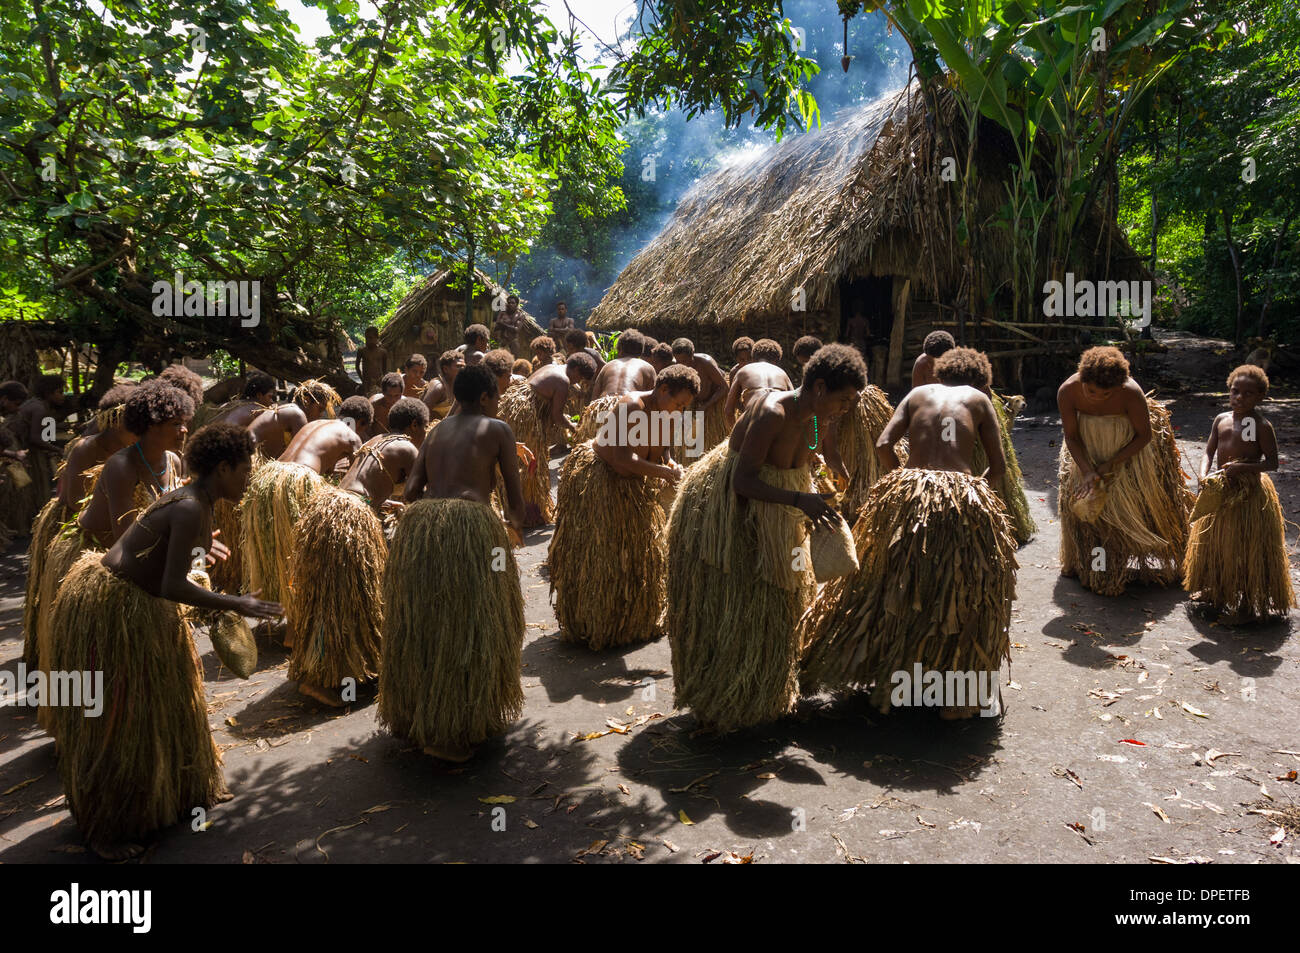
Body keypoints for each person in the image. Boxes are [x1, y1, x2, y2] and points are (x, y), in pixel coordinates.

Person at [47, 424, 281, 859]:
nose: (250, 477)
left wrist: (202, 558)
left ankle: (183, 792)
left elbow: (174, 560)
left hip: (138, 605)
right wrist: (236, 602)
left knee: (169, 707)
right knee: (117, 721)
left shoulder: (201, 501)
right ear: (224, 467)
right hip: (111, 611)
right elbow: (173, 585)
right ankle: (106, 830)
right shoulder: (191, 506)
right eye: (246, 468)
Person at [800, 347, 1018, 719]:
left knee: (893, 582)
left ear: (941, 374)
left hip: (910, 492)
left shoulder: (917, 394)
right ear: (979, 380)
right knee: (958, 591)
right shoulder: (979, 399)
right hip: (959, 496)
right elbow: (997, 466)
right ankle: (954, 695)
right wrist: (978, 497)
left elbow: (884, 445)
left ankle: (889, 680)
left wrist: (902, 482)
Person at [666, 344, 864, 732]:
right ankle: (726, 700)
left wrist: (816, 472)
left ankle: (768, 693)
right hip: (735, 513)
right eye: (844, 400)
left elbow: (806, 450)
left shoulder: (815, 417)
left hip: (782, 508)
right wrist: (797, 498)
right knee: (739, 602)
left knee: (780, 602)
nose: (847, 408)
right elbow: (742, 481)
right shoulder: (772, 413)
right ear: (820, 388)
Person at [380, 364, 525, 762]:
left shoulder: (437, 430)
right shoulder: (498, 430)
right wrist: (512, 528)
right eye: (496, 396)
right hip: (471, 530)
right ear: (484, 397)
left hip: (422, 529)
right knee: (472, 623)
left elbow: (411, 491)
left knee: (427, 622)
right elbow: (516, 500)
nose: (498, 403)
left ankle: (421, 717)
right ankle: (454, 730)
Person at [287, 398, 426, 707]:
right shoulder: (408, 448)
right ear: (415, 426)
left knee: (329, 599)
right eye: (424, 428)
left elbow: (363, 483)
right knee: (345, 602)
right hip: (352, 519)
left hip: (329, 507)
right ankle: (325, 680)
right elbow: (419, 497)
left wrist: (382, 502)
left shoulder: (376, 439)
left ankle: (319, 670)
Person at [549, 365, 696, 650]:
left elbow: (664, 448)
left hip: (637, 486)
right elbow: (620, 459)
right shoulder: (631, 407)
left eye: (685, 408)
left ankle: (631, 624)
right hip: (605, 482)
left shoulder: (669, 413)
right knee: (605, 556)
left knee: (637, 556)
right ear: (663, 390)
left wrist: (670, 462)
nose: (680, 411)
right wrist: (663, 473)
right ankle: (594, 623)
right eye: (678, 404)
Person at [1057, 346, 1192, 595]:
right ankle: (1093, 566)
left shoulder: (1130, 393)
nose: (1097, 397)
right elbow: (1072, 437)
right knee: (1089, 513)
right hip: (1086, 451)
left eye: (1106, 393)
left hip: (1127, 454)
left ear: (1119, 387)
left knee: (1125, 513)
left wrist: (1113, 463)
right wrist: (1087, 470)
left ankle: (1117, 564)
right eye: (1091, 391)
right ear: (1082, 379)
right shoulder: (1068, 391)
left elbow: (1144, 436)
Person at [21, 384, 137, 672]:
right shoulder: (87, 448)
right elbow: (73, 501)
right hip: (78, 527)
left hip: (116, 522)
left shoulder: (136, 446)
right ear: (115, 420)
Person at [241, 396, 368, 636]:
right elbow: (354, 485)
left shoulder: (315, 424)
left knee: (275, 548)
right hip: (298, 481)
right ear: (361, 423)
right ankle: (297, 629)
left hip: (269, 477)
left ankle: (282, 610)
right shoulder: (353, 437)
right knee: (301, 552)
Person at [1184, 365, 1295, 622]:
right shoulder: (1221, 419)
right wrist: (1203, 474)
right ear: (1228, 391)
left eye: (1248, 393)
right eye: (1235, 391)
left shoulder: (1262, 425)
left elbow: (1272, 463)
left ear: (1260, 397)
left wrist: (1242, 467)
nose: (1240, 398)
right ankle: (1216, 591)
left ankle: (1245, 605)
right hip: (1222, 490)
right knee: (1218, 544)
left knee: (1245, 548)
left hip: (1249, 494)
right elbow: (1208, 451)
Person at [494, 353, 597, 527]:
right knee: (531, 464)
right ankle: (525, 513)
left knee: (517, 462)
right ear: (577, 370)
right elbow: (556, 416)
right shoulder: (563, 381)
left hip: (514, 409)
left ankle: (517, 509)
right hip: (526, 417)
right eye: (580, 377)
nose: (577, 382)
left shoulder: (551, 367)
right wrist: (574, 428)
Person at [575, 329, 656, 442]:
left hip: (602, 406)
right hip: (628, 407)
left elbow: (594, 399)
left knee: (598, 451)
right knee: (627, 451)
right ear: (640, 351)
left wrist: (584, 424)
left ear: (620, 349)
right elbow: (653, 401)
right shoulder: (648, 368)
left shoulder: (608, 366)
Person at [12, 374, 67, 514]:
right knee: (28, 488)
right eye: (59, 392)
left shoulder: (35, 403)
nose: (63, 396)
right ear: (48, 393)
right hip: (18, 449)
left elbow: (41, 429)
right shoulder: (39, 409)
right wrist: (59, 450)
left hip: (19, 447)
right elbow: (35, 438)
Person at [670, 338, 729, 455]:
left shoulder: (705, 363)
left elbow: (724, 387)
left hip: (712, 403)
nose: (682, 365)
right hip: (693, 405)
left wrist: (706, 406)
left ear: (692, 354)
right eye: (678, 361)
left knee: (710, 443)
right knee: (689, 445)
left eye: (685, 361)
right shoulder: (676, 365)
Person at [722, 338, 792, 429]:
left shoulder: (742, 372)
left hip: (753, 417)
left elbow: (728, 411)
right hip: (779, 417)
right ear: (777, 360)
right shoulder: (782, 373)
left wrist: (735, 435)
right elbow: (796, 401)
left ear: (753, 358)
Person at [422, 351, 463, 421]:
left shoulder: (460, 386)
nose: (463, 369)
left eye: (464, 366)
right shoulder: (438, 387)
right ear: (445, 369)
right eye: (458, 366)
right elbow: (421, 413)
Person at [355, 325, 390, 394]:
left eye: (370, 338)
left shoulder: (383, 352)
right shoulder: (362, 351)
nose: (368, 340)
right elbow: (357, 367)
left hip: (379, 381)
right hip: (367, 382)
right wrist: (363, 379)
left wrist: (383, 380)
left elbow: (385, 369)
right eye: (366, 338)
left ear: (377, 338)